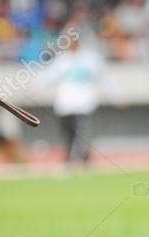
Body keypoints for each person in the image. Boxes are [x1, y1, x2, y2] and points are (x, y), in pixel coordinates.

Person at [39, 36, 115, 165]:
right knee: (68, 134)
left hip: (84, 104)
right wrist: (33, 87)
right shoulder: (63, 60)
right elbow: (48, 76)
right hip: (65, 105)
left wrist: (114, 96)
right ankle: (79, 158)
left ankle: (75, 160)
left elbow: (103, 79)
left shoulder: (91, 59)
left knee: (82, 133)